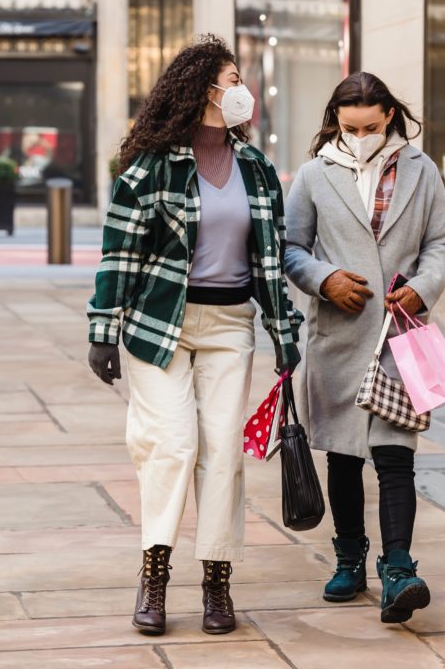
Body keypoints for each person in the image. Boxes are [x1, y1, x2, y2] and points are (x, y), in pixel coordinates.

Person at [85, 34, 302, 636]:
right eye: (232, 81)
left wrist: (286, 332)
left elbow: (270, 260)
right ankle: (154, 573)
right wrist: (103, 332)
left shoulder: (255, 168)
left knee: (222, 454)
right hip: (160, 326)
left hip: (231, 325)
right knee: (171, 446)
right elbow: (119, 254)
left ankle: (216, 581)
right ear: (202, 90)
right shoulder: (154, 165)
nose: (242, 92)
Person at [283, 72, 445, 623]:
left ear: (390, 119)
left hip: (398, 334)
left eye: (371, 127)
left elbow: (440, 245)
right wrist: (325, 277)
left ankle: (399, 568)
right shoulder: (313, 175)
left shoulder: (422, 172)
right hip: (338, 334)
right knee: (342, 455)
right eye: (349, 126)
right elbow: (290, 248)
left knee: (395, 453)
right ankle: (349, 558)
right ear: (335, 120)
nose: (360, 136)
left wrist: (422, 289)